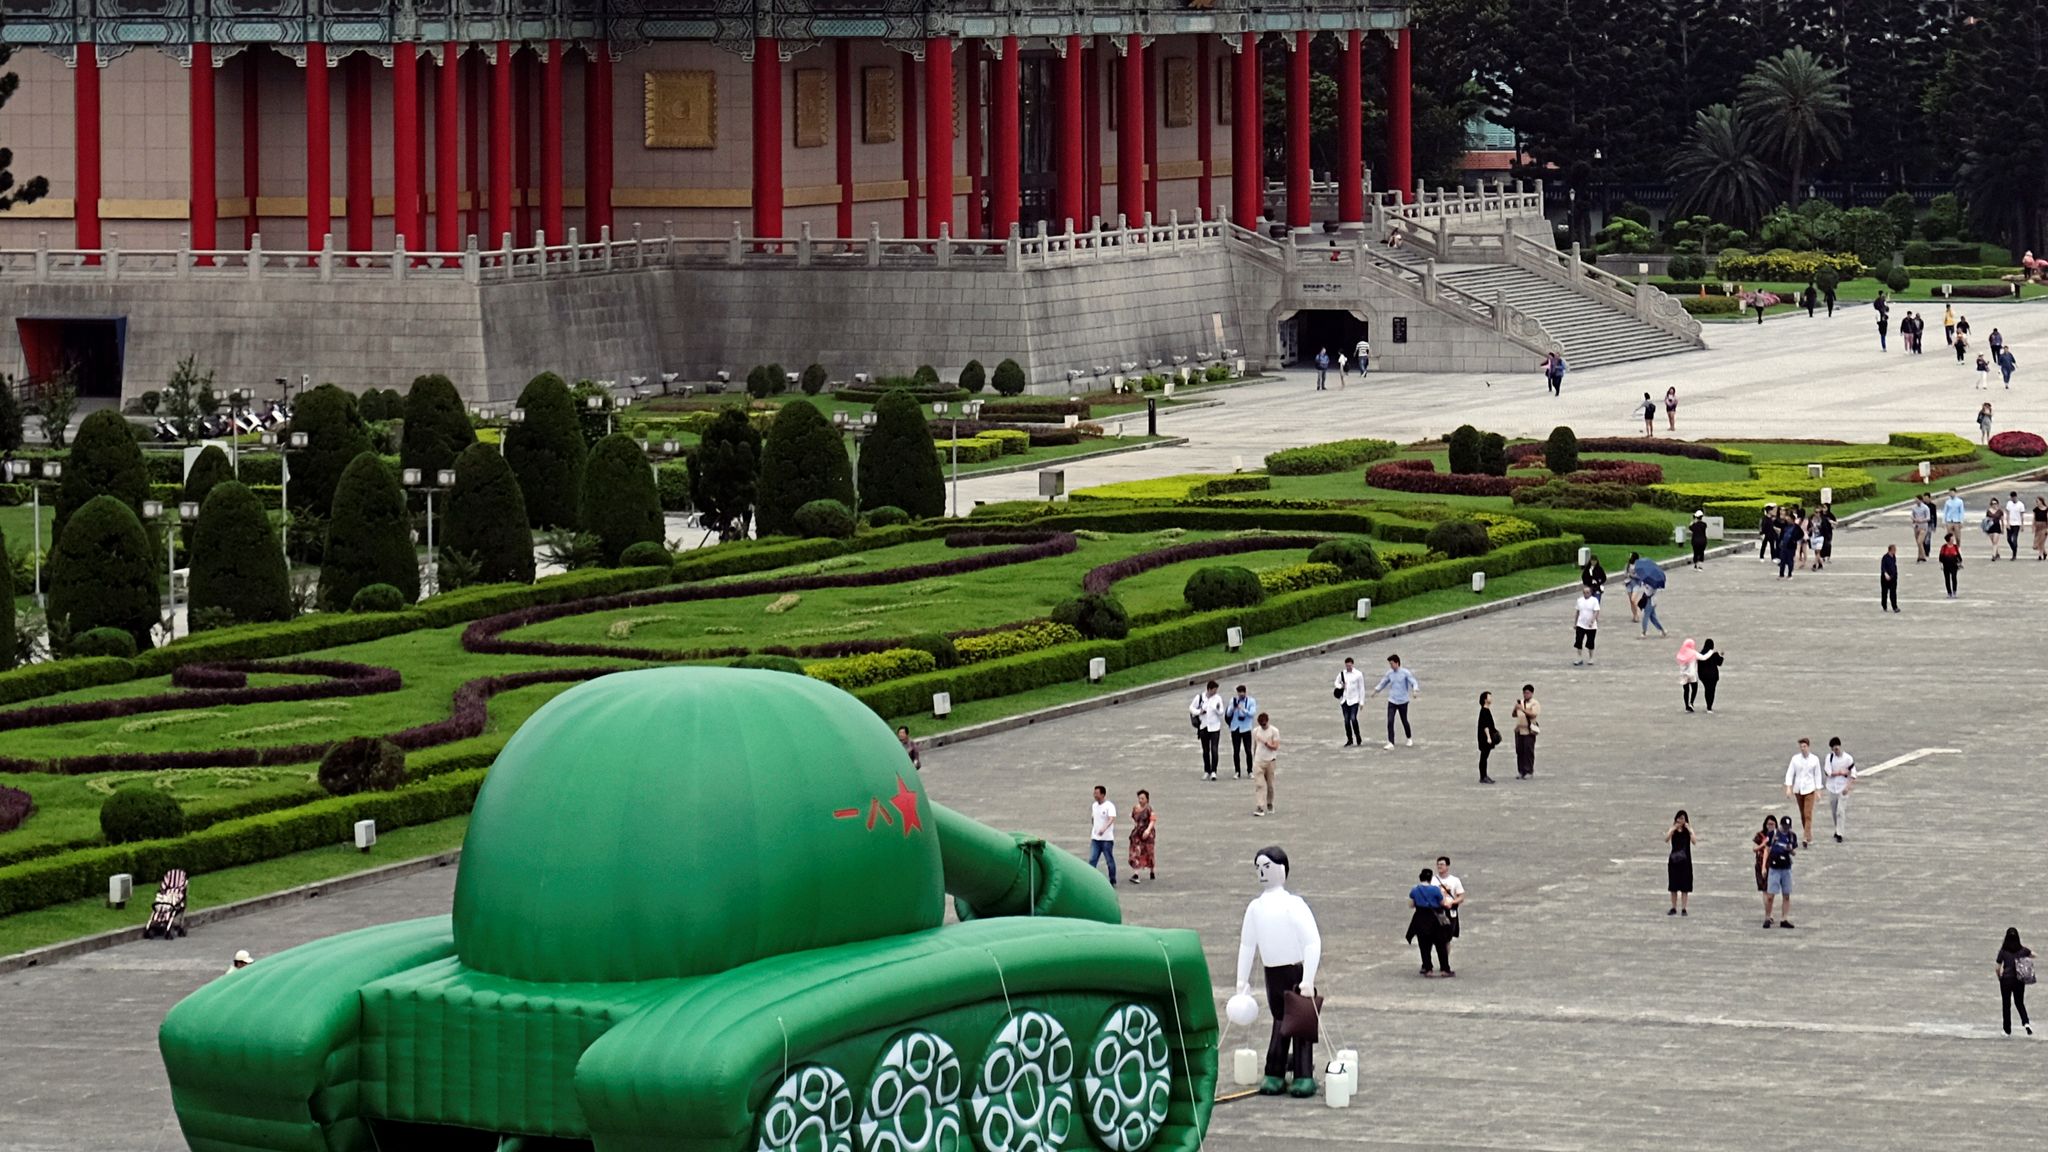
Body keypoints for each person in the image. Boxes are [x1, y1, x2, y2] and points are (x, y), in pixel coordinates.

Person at [1235, 846, 1323, 1097]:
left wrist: (1308, 979)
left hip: (1295, 972)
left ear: (1283, 870)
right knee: (1280, 1021)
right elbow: (1247, 944)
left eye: (1268, 867)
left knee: (1301, 1024)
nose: (1262, 873)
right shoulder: (1255, 907)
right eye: (1259, 868)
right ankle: (1274, 1072)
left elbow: (1312, 942)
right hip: (1271, 973)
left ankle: (1303, 1075)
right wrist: (1242, 980)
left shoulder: (1294, 904)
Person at [1406, 867, 1451, 976]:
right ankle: (1444, 969)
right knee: (1440, 944)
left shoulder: (1415, 890)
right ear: (1430, 878)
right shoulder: (1435, 889)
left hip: (1420, 918)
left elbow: (1411, 905)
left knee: (1424, 945)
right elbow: (1442, 902)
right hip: (1435, 920)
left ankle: (1428, 968)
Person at [1369, 654, 1419, 750]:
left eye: (1392, 663)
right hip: (1392, 700)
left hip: (1403, 701)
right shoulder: (1389, 673)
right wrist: (1376, 691)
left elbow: (1413, 682)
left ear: (1397, 663)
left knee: (1404, 720)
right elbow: (1383, 682)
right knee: (1390, 721)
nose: (1391, 666)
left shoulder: (1405, 673)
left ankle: (1409, 738)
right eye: (1390, 664)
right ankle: (1391, 741)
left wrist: (1415, 690)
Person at [1784, 737, 1823, 848]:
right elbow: (1790, 773)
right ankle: (1808, 835)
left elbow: (1817, 775)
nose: (1803, 749)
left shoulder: (1814, 759)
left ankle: (1805, 837)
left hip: (1810, 789)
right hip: (1798, 789)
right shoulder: (1795, 759)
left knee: (1808, 813)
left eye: (1804, 746)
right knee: (1802, 814)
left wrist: (1818, 790)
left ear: (1808, 747)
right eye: (1801, 747)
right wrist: (1788, 787)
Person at [1996, 927, 2035, 1036]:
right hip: (2018, 980)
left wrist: (1999, 977)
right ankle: (2026, 1022)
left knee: (2006, 1004)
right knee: (2019, 1002)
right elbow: (2034, 954)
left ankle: (2007, 1030)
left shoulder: (2003, 951)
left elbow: (1997, 967)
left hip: (2006, 980)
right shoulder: (2022, 950)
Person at [1764, 813, 1799, 929]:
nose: (1786, 829)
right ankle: (1768, 917)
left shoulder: (1792, 836)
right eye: (1784, 827)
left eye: (1788, 827)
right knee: (1770, 895)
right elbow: (1767, 848)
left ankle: (1784, 918)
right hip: (1774, 867)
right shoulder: (1773, 834)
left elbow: (1794, 852)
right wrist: (1764, 865)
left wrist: (1790, 850)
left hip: (1786, 867)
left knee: (1786, 894)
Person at [1189, 680, 1226, 780]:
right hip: (1204, 726)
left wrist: (1217, 709)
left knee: (1214, 749)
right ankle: (1207, 770)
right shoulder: (1200, 697)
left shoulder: (1218, 698)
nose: (1215, 692)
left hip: (1215, 727)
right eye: (1214, 690)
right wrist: (1199, 712)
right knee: (1206, 750)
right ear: (1209, 689)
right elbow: (1191, 708)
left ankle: (1214, 771)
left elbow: (1221, 712)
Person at [1823, 737, 1856, 844]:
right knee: (1834, 811)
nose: (1836, 750)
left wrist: (1848, 787)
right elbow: (1828, 772)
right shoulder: (1830, 758)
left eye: (1837, 748)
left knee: (1840, 811)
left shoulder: (1848, 758)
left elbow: (1853, 773)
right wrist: (1841, 772)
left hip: (1843, 788)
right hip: (1832, 787)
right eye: (1834, 749)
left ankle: (1840, 833)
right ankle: (1837, 828)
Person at [1665, 810, 1696, 916]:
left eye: (1682, 818)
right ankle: (1673, 907)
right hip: (1674, 861)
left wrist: (1690, 829)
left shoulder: (1687, 831)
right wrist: (1673, 829)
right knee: (1673, 886)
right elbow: (1666, 839)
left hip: (1685, 861)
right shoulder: (1673, 830)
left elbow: (1694, 841)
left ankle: (1684, 908)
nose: (1680, 820)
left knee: (1685, 886)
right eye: (1678, 818)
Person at [1226, 683, 1259, 779]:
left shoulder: (1251, 701)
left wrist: (1242, 709)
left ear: (1245, 692)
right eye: (1239, 693)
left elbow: (1252, 713)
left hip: (1246, 728)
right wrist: (1233, 707)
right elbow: (1228, 714)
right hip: (1235, 728)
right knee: (1236, 751)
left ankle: (1250, 770)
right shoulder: (1233, 700)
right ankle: (1237, 771)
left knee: (1248, 751)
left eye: (1242, 693)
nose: (1240, 695)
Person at [1252, 711, 1281, 815]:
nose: (1263, 726)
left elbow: (1276, 747)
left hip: (1270, 761)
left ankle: (1270, 803)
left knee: (1270, 786)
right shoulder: (1255, 731)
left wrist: (1266, 743)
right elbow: (1255, 746)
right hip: (1258, 761)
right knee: (1259, 785)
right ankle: (1260, 806)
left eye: (1264, 724)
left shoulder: (1274, 731)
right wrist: (1254, 758)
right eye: (1261, 725)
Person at [1088, 785, 1118, 885]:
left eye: (1097, 793)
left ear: (1103, 794)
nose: (1095, 795)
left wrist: (1104, 828)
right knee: (1092, 859)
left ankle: (1112, 879)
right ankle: (1090, 879)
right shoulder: (1094, 805)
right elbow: (1093, 818)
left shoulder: (1109, 806)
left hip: (1106, 839)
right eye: (1094, 793)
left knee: (1109, 860)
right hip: (1095, 838)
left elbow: (1112, 818)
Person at [1434, 856, 1466, 946]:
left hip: (1449, 911)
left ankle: (1445, 958)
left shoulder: (1455, 880)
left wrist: (1452, 902)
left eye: (1442, 864)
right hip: (1437, 910)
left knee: (1447, 938)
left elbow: (1461, 896)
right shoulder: (1432, 880)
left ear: (1447, 866)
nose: (1439, 866)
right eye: (1438, 864)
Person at [1334, 657, 1365, 747]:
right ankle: (1349, 739)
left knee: (1353, 719)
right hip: (1345, 700)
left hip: (1354, 700)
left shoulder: (1358, 674)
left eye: (1349, 665)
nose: (1348, 667)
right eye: (1347, 665)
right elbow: (1336, 682)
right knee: (1346, 721)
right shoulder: (1342, 674)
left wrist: (1361, 701)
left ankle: (1358, 736)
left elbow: (1361, 688)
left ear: (1352, 664)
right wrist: (1341, 686)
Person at [1511, 684, 1540, 777]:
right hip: (1519, 729)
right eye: (1524, 693)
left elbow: (1533, 714)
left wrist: (1522, 709)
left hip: (1528, 730)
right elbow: (1514, 715)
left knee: (1528, 750)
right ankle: (1521, 770)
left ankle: (1529, 770)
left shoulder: (1535, 703)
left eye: (1527, 693)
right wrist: (1516, 709)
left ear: (1531, 693)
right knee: (1520, 751)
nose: (1525, 695)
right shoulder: (1520, 702)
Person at [1752, 815, 1779, 914]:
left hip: (1774, 864)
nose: (1770, 826)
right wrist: (1763, 844)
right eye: (1769, 824)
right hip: (1760, 864)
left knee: (1771, 890)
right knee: (1764, 889)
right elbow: (1754, 849)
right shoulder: (1760, 835)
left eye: (1772, 824)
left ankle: (1769, 911)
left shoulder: (1778, 835)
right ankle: (1768, 913)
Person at [1475, 692, 1501, 784]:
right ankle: (1483, 776)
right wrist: (1489, 737)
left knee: (1484, 757)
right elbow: (1485, 726)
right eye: (1489, 697)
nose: (1491, 698)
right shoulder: (1484, 711)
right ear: (1485, 699)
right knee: (1484, 757)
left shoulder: (1486, 710)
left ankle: (1484, 775)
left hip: (1485, 737)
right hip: (1485, 738)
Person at [1572, 584, 1600, 665]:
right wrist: (1575, 623)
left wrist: (1592, 621)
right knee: (1578, 641)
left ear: (1590, 593)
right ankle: (1579, 657)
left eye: (1587, 592)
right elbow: (1577, 612)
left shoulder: (1594, 600)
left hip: (1591, 626)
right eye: (1584, 592)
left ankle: (1591, 658)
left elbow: (1596, 611)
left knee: (1590, 642)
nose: (1586, 594)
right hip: (1581, 624)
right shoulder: (1579, 600)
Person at [1696, 638, 1724, 712]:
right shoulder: (1714, 654)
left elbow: (1698, 665)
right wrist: (1721, 655)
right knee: (1712, 690)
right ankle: (1709, 706)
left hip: (1704, 676)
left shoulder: (1701, 654)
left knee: (1707, 690)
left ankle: (1708, 705)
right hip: (1713, 676)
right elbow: (1720, 663)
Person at [1776, 512, 1803, 580]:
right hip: (1783, 545)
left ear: (1793, 519)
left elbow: (1801, 534)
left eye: (1789, 519)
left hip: (1791, 546)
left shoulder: (1796, 527)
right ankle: (1781, 574)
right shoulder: (1784, 526)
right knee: (1782, 560)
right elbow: (1781, 533)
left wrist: (1795, 539)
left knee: (1790, 560)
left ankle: (1789, 574)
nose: (1788, 520)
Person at [1677, 637, 1701, 712]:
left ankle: (1687, 706)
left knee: (1686, 691)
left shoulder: (1681, 653)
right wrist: (1711, 652)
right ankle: (1691, 702)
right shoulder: (1693, 653)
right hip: (1692, 674)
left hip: (1683, 675)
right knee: (1694, 688)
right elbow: (1703, 657)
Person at [1940, 530, 1963, 598]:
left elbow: (1958, 556)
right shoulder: (1944, 547)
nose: (1953, 539)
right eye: (1952, 538)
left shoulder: (1955, 547)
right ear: (1948, 539)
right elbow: (1941, 557)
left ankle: (1954, 591)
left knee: (1954, 578)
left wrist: (1960, 563)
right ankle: (1949, 592)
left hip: (1954, 565)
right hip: (1946, 565)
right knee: (1947, 579)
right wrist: (1941, 565)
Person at [1911, 494, 1933, 561]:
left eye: (1917, 500)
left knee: (1920, 541)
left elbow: (1928, 517)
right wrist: (1914, 519)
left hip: (1923, 525)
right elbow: (1912, 515)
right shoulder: (1914, 507)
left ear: (1920, 500)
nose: (1916, 501)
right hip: (1916, 525)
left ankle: (1923, 555)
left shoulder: (1925, 508)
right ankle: (1919, 555)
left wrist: (1922, 520)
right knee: (1917, 542)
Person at [1984, 496, 2006, 562]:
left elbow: (2002, 520)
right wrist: (1986, 528)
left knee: (1995, 541)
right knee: (1993, 542)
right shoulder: (1988, 511)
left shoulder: (2000, 511)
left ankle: (1993, 555)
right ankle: (1997, 553)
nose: (1994, 505)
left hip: (1997, 527)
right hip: (1990, 527)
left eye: (1995, 503)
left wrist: (2002, 528)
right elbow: (1986, 520)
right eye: (1993, 503)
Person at [2006, 492, 2026, 560]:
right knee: (2009, 539)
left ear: (2016, 497)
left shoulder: (2020, 505)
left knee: (2014, 539)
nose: (2013, 499)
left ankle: (2014, 554)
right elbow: (2008, 513)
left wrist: (2022, 525)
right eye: (2012, 498)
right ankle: (2013, 549)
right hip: (2010, 523)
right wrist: (2007, 523)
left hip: (2017, 524)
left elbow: (2022, 515)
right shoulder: (2009, 503)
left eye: (2014, 498)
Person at [1880, 544, 1900, 613]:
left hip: (1893, 577)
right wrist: (1885, 574)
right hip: (1885, 578)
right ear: (1891, 550)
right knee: (1884, 592)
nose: (1895, 551)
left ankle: (1895, 607)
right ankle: (1884, 605)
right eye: (1894, 549)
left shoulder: (1894, 557)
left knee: (1893, 593)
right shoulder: (1885, 557)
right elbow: (1883, 567)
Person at [2034, 495, 2048, 560]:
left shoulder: (2046, 509)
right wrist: (2033, 526)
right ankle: (2044, 552)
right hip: (2038, 526)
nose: (2037, 502)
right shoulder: (2036, 509)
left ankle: (2040, 555)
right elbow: (2034, 518)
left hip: (2044, 526)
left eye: (2038, 501)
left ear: (2041, 501)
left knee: (2041, 541)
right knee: (2038, 541)